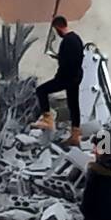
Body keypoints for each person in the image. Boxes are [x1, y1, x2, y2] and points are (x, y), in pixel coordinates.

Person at [36, 16, 84, 146]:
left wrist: (59, 75)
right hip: (76, 76)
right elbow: (77, 58)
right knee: (74, 104)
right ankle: (75, 136)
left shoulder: (66, 41)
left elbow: (65, 63)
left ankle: (48, 119)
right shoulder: (77, 38)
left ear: (58, 27)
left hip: (66, 77)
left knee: (41, 90)